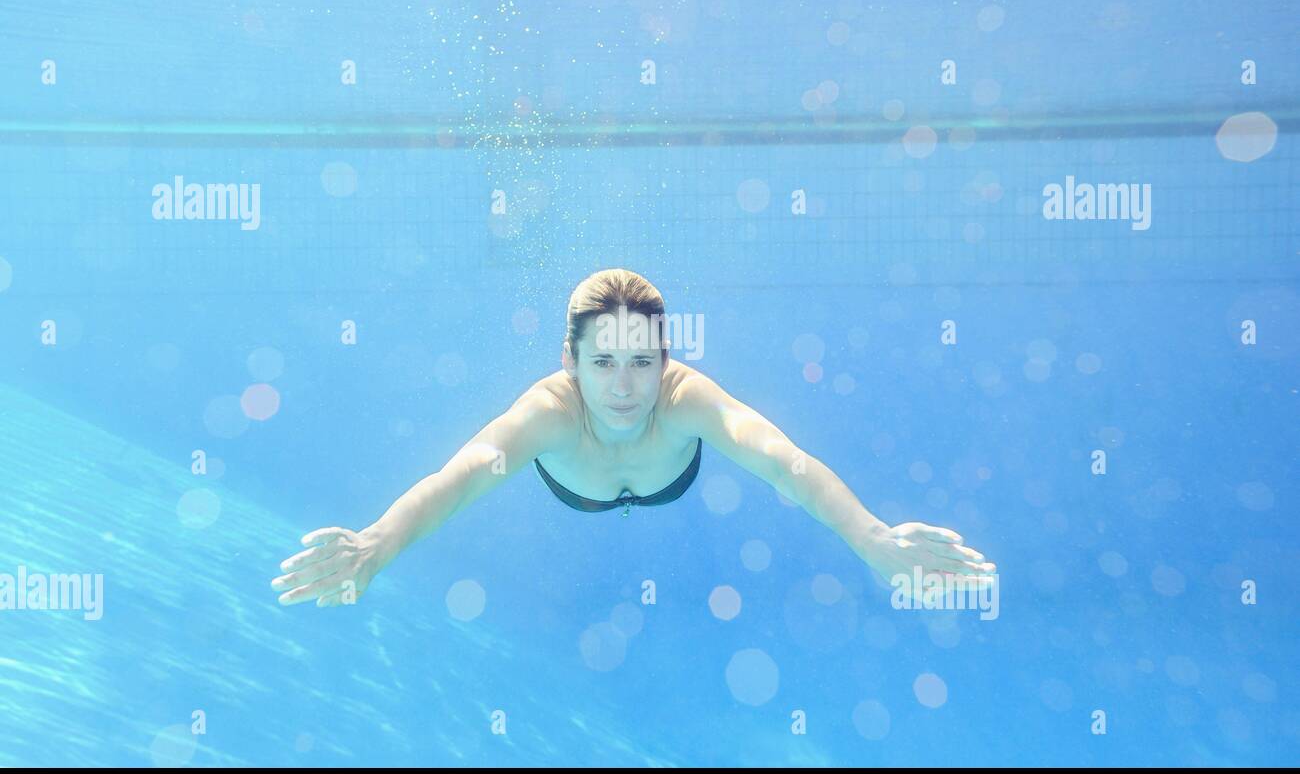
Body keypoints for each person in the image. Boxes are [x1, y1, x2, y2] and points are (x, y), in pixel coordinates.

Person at [272, 268, 996, 607]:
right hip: (584, 487)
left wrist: (872, 538)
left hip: (649, 483)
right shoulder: (547, 414)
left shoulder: (687, 401)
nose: (624, 387)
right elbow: (453, 482)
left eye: (642, 362)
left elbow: (787, 464)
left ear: (667, 359)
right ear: (569, 362)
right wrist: (377, 543)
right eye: (604, 364)